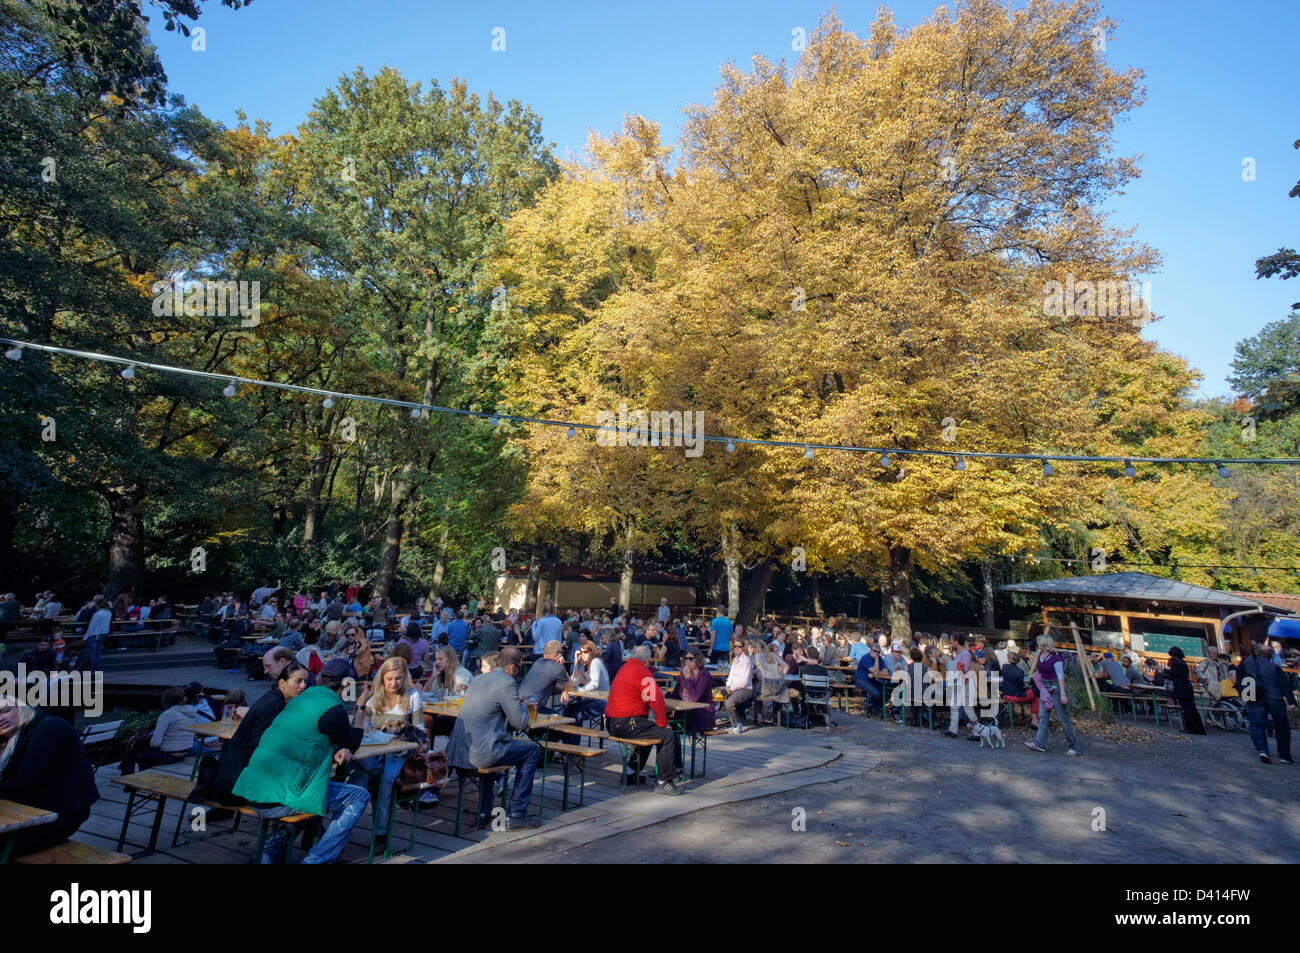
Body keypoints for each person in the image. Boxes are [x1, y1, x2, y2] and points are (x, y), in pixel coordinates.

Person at [233, 658, 370, 863]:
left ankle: (268, 852)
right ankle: (316, 859)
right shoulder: (333, 710)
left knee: (312, 794)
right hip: (280, 796)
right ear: (345, 685)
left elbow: (310, 738)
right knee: (357, 796)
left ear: (318, 679)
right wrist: (361, 706)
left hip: (253, 789)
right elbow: (353, 743)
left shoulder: (299, 700)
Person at [445, 647, 543, 830]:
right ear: (513, 667)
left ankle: (484, 813)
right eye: (520, 667)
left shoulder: (479, 679)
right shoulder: (507, 682)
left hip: (459, 752)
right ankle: (517, 814)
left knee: (492, 747)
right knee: (532, 750)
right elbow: (520, 722)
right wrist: (523, 708)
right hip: (480, 752)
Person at [0, 696, 100, 857]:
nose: (1, 719)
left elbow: (21, 782)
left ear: (21, 708)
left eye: (5, 711)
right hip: (32, 810)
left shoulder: (48, 728)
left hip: (61, 815)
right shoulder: (11, 739)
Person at [209, 662, 311, 804]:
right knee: (307, 790)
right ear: (282, 683)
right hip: (239, 785)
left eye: (305, 681)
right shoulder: (275, 705)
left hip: (234, 777)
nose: (303, 686)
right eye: (298, 681)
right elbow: (259, 748)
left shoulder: (272, 698)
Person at [360, 657, 424, 845]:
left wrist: (415, 740)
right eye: (389, 679)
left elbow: (419, 727)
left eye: (398, 678)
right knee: (360, 777)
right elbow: (363, 726)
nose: (393, 683)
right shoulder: (374, 696)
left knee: (386, 779)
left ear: (404, 678)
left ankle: (381, 831)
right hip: (374, 747)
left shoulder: (412, 696)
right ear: (382, 678)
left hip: (399, 750)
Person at [604, 644, 683, 794]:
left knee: (649, 731)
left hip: (611, 722)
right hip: (627, 722)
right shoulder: (643, 673)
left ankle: (630, 772)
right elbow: (656, 700)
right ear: (647, 661)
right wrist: (662, 723)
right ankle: (663, 781)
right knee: (666, 735)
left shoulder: (624, 669)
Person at [119, 687, 202, 774]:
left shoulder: (167, 714)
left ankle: (128, 780)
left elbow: (155, 744)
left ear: (165, 700)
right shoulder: (191, 712)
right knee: (142, 752)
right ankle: (141, 776)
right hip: (185, 753)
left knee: (134, 750)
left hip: (170, 755)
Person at [1025, 634, 1079, 755]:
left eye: (1039, 642)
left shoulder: (1056, 659)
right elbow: (1040, 670)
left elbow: (1060, 677)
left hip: (1055, 688)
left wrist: (1063, 694)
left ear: (1044, 644)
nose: (1037, 644)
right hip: (1045, 688)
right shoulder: (1040, 656)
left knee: (1063, 718)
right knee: (1043, 716)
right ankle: (1039, 743)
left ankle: (1074, 746)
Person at [1237, 644, 1289, 764]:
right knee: (1281, 727)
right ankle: (1284, 755)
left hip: (1254, 696)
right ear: (1271, 655)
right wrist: (1291, 702)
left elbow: (1240, 679)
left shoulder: (1245, 663)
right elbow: (1284, 684)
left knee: (1257, 725)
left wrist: (1244, 695)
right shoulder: (1274, 667)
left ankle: (1262, 750)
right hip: (1275, 697)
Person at [562, 641, 609, 725]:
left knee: (576, 715)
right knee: (568, 710)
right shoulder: (585, 665)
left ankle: (574, 738)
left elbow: (594, 684)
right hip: (591, 699)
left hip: (601, 702)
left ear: (591, 652)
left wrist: (580, 689)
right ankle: (567, 737)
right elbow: (574, 683)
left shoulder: (595, 662)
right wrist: (576, 664)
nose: (583, 654)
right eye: (581, 652)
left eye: (585, 652)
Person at [1164, 646, 1205, 735]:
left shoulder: (1173, 661)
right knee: (1192, 708)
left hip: (1180, 687)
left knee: (1186, 708)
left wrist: (1165, 671)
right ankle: (1199, 728)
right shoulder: (1183, 663)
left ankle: (1190, 727)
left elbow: (1174, 674)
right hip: (1187, 686)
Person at [724, 639, 756, 734]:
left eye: (739, 646)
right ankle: (736, 721)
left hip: (745, 689)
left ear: (743, 648)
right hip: (735, 688)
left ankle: (737, 723)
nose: (737, 648)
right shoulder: (734, 659)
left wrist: (731, 688)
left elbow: (743, 682)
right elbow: (731, 676)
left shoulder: (746, 661)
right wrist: (728, 685)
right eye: (735, 646)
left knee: (729, 702)